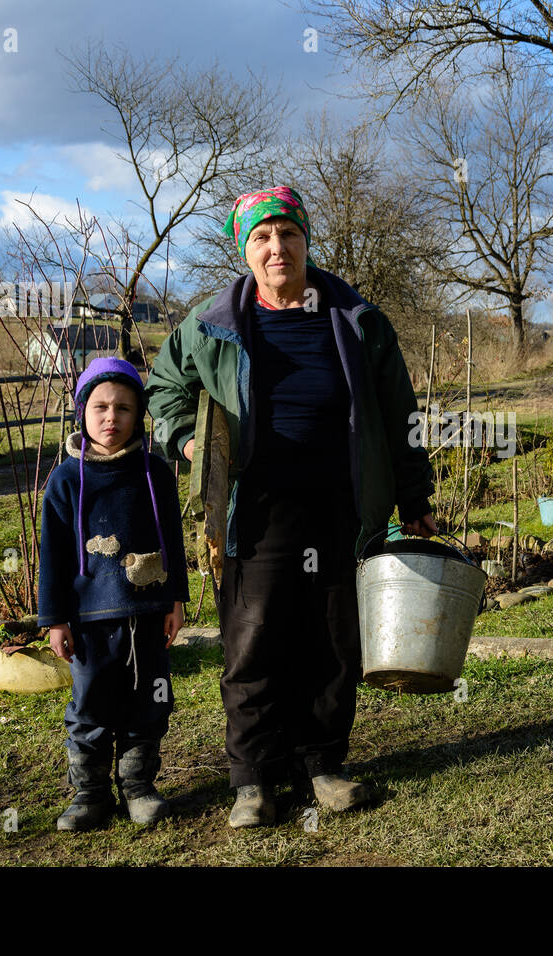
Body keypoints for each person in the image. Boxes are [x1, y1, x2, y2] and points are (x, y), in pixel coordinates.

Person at [145, 185, 436, 829]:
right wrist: (188, 440)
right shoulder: (212, 325)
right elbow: (163, 388)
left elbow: (400, 415)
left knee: (335, 640)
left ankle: (324, 764)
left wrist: (414, 498)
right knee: (254, 642)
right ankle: (253, 780)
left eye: (288, 234)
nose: (277, 248)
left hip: (342, 503)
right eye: (261, 238)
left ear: (306, 240)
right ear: (246, 252)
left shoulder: (356, 319)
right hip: (257, 507)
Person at [38, 357, 190, 831]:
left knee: (148, 701)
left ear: (139, 414)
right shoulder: (65, 481)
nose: (111, 417)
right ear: (81, 412)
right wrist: (55, 619)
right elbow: (53, 556)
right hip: (88, 620)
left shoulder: (156, 474)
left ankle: (139, 788)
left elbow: (172, 538)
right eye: (100, 406)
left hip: (147, 612)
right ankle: (90, 794)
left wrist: (176, 600)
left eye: (124, 408)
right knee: (90, 706)